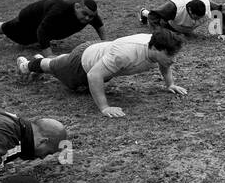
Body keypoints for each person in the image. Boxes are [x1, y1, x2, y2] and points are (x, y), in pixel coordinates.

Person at [18, 29, 185, 118]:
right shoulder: (125, 55)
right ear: (155, 49)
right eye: (170, 55)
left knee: (60, 64)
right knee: (53, 67)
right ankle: (26, 65)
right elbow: (93, 76)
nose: (174, 60)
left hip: (100, 52)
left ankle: (54, 61)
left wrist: (170, 84)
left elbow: (165, 63)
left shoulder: (158, 45)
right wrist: (105, 107)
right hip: (82, 64)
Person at [0, 0, 104, 53]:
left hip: (44, 20)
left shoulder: (90, 14)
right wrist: (49, 56)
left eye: (90, 16)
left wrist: (105, 42)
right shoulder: (59, 9)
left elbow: (99, 24)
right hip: (29, 18)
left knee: (32, 40)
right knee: (7, 29)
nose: (87, 19)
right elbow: (42, 31)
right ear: (77, 7)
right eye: (85, 14)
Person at [139, 0, 225, 40]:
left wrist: (224, 33)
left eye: (200, 17)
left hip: (186, 26)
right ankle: (144, 12)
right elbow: (154, 15)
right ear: (189, 11)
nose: (197, 20)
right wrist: (158, 34)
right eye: (195, 17)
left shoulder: (208, 5)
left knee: (185, 34)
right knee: (159, 18)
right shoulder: (174, 7)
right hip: (172, 23)